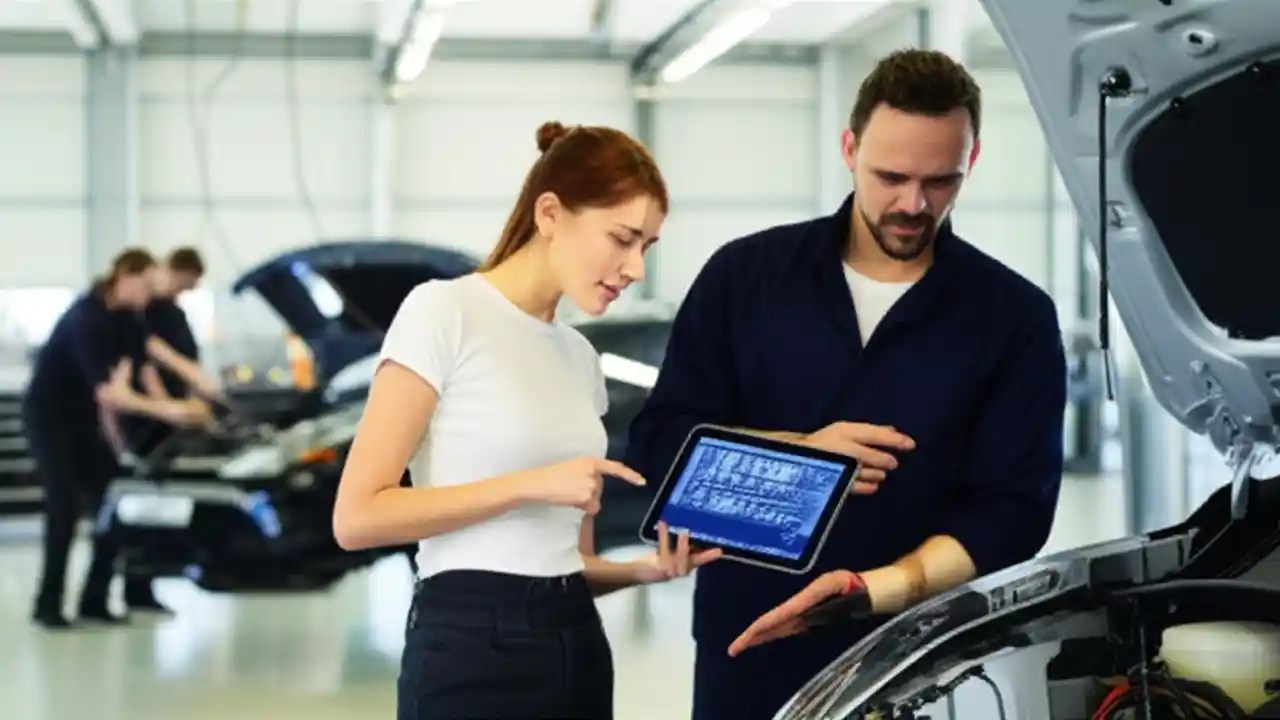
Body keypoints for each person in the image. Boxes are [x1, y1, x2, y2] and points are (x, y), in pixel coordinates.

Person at [626, 49, 1069, 719]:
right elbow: (659, 452)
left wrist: (877, 590)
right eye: (890, 176)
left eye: (940, 181)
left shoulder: (1015, 318)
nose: (913, 204)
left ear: (971, 162)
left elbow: (1014, 512)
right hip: (748, 651)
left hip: (925, 657)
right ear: (848, 147)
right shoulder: (743, 278)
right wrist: (799, 458)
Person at [332, 121, 722, 720]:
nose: (635, 267)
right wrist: (529, 484)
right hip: (468, 647)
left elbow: (563, 560)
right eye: (622, 238)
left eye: (646, 247)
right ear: (550, 214)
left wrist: (643, 570)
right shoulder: (444, 311)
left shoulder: (580, 358)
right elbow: (356, 517)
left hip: (574, 640)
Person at [23, 248, 213, 629]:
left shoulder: (130, 317)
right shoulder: (85, 317)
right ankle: (48, 604)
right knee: (63, 508)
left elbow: (140, 373)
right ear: (124, 275)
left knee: (115, 504)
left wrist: (171, 411)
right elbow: (108, 393)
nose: (149, 295)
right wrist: (170, 410)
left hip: (88, 421)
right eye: (144, 285)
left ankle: (95, 600)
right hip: (50, 419)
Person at [120, 245, 215, 614]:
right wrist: (169, 407)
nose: (186, 290)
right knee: (142, 503)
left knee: (156, 503)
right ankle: (134, 587)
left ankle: (142, 588)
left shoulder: (171, 312)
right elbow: (151, 361)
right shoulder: (146, 314)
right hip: (151, 421)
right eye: (187, 282)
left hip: (172, 417)